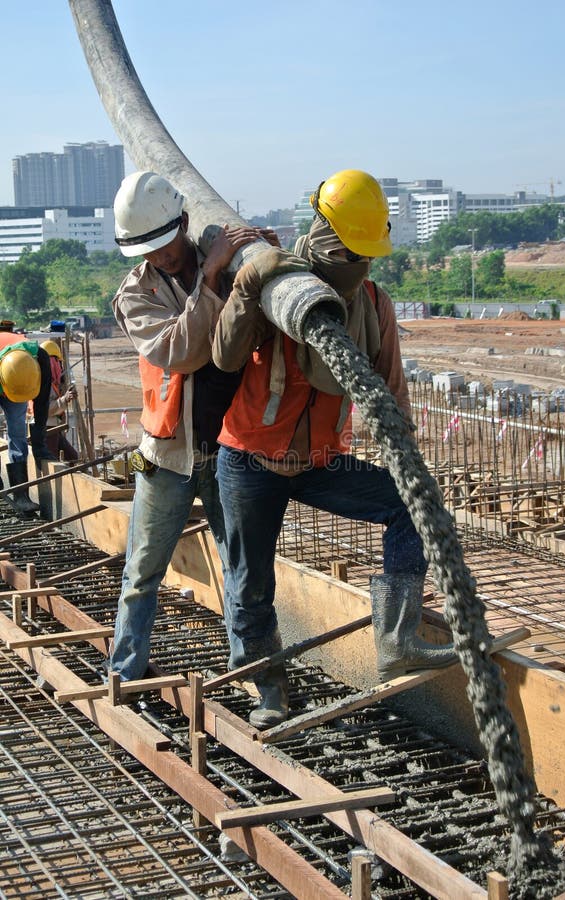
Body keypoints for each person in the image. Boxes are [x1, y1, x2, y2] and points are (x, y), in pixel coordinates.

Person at [212, 169, 454, 728]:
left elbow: (390, 390)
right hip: (251, 458)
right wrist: (247, 289)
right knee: (250, 581)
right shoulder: (274, 286)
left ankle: (397, 640)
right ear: (323, 234)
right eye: (348, 251)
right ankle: (267, 687)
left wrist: (407, 462)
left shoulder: (371, 302)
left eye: (366, 254)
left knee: (411, 504)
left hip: (319, 462)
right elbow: (225, 356)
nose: (358, 263)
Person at [108, 170, 275, 683]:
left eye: (163, 245)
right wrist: (213, 276)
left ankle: (254, 679)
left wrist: (263, 258)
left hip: (232, 452)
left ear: (183, 222)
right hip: (166, 456)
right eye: (147, 250)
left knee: (243, 574)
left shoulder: (224, 257)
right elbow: (181, 351)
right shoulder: (136, 294)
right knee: (142, 572)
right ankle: (124, 674)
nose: (159, 257)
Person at [0, 331, 54, 514]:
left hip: (16, 378)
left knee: (18, 432)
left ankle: (21, 496)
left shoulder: (41, 359)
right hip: (4, 374)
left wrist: (39, 443)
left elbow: (42, 403)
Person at [38, 339, 79, 462]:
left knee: (72, 457)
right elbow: (45, 409)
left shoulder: (51, 382)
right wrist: (64, 399)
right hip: (46, 429)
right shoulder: (42, 383)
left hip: (54, 428)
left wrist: (66, 394)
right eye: (57, 362)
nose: (59, 366)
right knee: (53, 463)